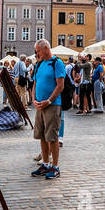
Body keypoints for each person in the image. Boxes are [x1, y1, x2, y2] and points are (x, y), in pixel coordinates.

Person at [30, 39, 66, 180]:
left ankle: (55, 167)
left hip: (52, 105)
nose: (36, 53)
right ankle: (45, 164)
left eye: (38, 51)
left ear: (45, 48)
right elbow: (35, 83)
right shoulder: (39, 64)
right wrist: (34, 99)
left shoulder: (57, 63)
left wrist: (49, 100)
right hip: (40, 105)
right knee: (42, 136)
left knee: (52, 137)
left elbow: (60, 85)